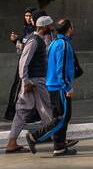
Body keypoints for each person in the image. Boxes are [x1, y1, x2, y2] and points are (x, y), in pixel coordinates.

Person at [23, 18, 77, 156]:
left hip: (53, 85)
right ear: (68, 29)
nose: (73, 29)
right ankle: (34, 137)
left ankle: (59, 147)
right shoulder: (63, 45)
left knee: (59, 117)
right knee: (62, 118)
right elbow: (61, 68)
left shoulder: (54, 43)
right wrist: (66, 87)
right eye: (72, 26)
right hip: (60, 87)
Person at [5, 17, 57, 154]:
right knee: (46, 109)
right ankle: (58, 140)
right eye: (50, 25)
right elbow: (23, 62)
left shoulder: (38, 39)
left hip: (33, 81)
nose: (51, 27)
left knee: (23, 111)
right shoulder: (34, 41)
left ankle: (11, 143)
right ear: (44, 27)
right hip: (35, 81)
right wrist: (26, 81)